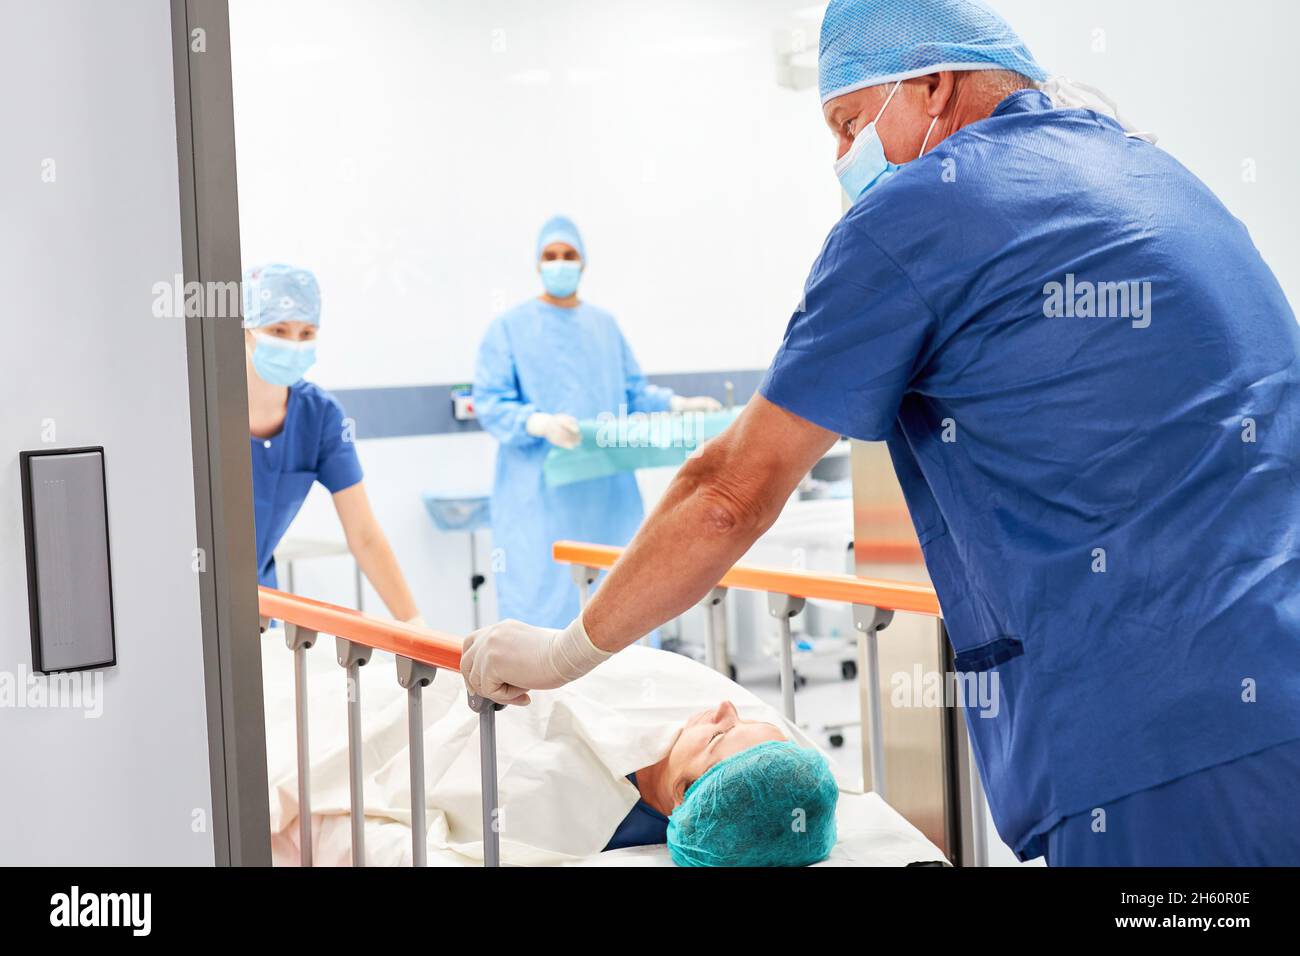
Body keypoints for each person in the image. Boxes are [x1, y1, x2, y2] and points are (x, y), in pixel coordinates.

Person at [462, 0, 1300, 866]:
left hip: (1162, 738)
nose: (841, 158)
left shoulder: (919, 213)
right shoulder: (1157, 172)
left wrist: (562, 654)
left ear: (933, 86)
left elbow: (728, 492)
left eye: (847, 122)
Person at [473, 216, 720, 627]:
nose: (560, 263)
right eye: (550, 256)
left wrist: (678, 403)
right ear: (538, 264)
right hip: (540, 497)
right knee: (543, 611)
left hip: (607, 495)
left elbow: (633, 392)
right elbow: (490, 401)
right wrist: (536, 423)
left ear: (583, 262)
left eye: (568, 255)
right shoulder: (508, 328)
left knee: (618, 602)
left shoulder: (603, 327)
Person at [244, 263, 423, 624]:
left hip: (260, 601)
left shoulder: (320, 415)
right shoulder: (204, 414)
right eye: (278, 329)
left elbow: (364, 536)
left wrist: (414, 625)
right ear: (246, 330)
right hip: (190, 596)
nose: (293, 343)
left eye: (307, 332)